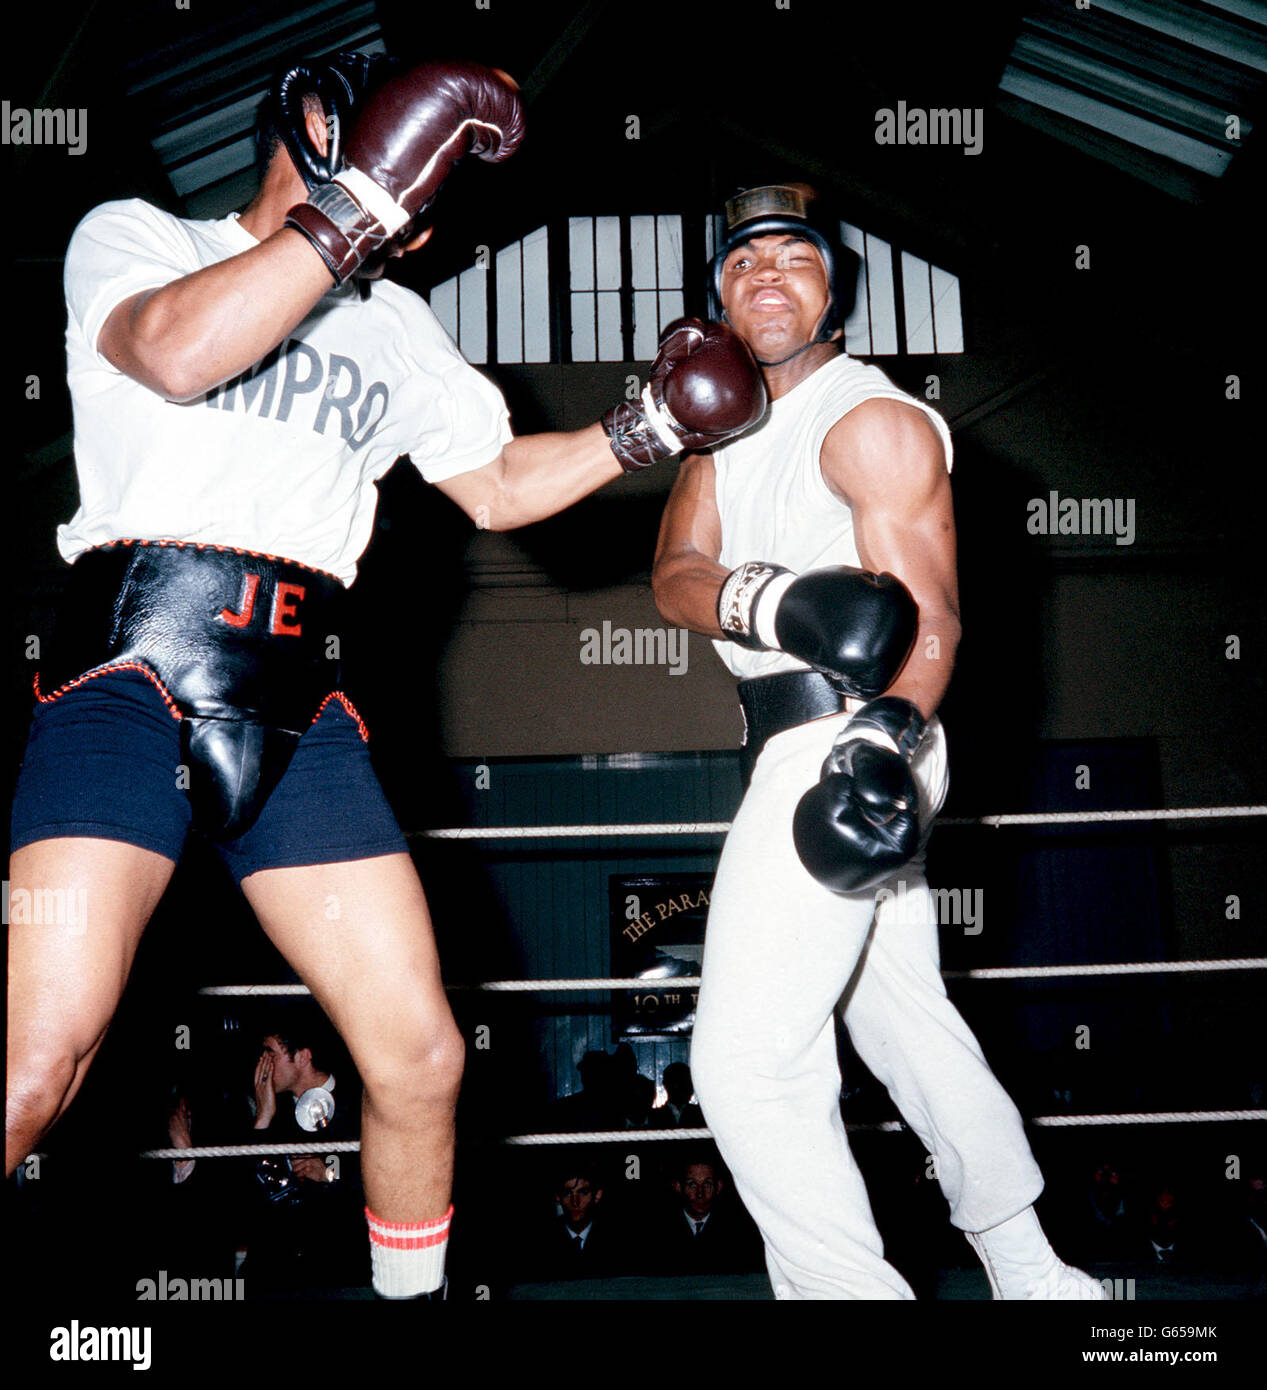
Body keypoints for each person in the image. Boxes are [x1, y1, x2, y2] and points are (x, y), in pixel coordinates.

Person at [5, 51, 766, 1301]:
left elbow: (503, 484)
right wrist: (353, 202)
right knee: (38, 1065)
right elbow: (178, 354)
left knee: (418, 1057)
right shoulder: (140, 235)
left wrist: (651, 426)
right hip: (129, 675)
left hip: (300, 702)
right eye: (406, 156)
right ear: (316, 127)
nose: (424, 194)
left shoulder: (397, 326)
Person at [651, 182, 1103, 1300]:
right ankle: (1036, 1274)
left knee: (744, 1064)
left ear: (836, 297)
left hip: (856, 725)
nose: (763, 274)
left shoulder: (871, 419)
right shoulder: (719, 438)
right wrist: (771, 602)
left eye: (792, 260)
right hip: (791, 735)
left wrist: (889, 736)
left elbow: (931, 609)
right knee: (897, 1013)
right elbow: (674, 579)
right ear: (716, 294)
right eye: (742, 260)